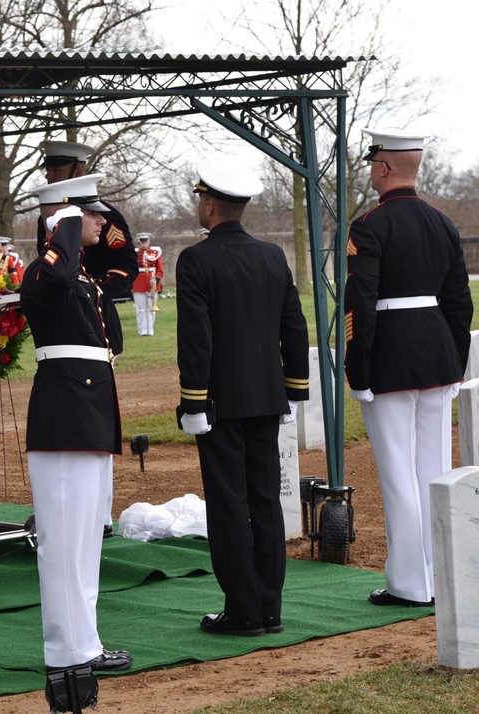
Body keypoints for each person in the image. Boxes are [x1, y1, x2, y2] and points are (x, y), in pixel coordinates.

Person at [177, 156, 309, 637]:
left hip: (219, 403)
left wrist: (194, 401)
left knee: (229, 503)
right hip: (267, 398)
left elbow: (197, 338)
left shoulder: (196, 259)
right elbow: (293, 326)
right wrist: (295, 389)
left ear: (209, 204)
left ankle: (243, 611)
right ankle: (270, 609)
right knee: (264, 501)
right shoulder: (272, 256)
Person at [345, 128, 472, 608]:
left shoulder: (370, 226)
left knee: (398, 473)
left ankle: (408, 584)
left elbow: (362, 302)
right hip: (438, 356)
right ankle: (441, 576)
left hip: (391, 360)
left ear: (383, 167)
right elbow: (460, 303)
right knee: (434, 471)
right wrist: (454, 362)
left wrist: (360, 370)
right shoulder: (442, 222)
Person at [23, 173, 131, 712]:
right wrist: (61, 230)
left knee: (86, 540)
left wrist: (72, 235)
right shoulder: (47, 272)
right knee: (63, 543)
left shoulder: (83, 275)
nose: (102, 222)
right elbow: (56, 278)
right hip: (65, 418)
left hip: (86, 416)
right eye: (89, 215)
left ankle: (84, 642)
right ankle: (65, 652)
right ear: (62, 220)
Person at [36, 140, 137, 539]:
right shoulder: (57, 219)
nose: (49, 175)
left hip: (92, 315)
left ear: (73, 170)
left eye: (56, 169)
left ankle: (101, 514)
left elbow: (125, 263)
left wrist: (97, 294)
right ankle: (93, 515)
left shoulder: (96, 218)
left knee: (96, 420)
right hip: (68, 312)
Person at [131, 233, 163, 336]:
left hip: (152, 283)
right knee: (141, 308)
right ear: (138, 242)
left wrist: (156, 279)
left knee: (151, 307)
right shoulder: (134, 253)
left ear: (149, 242)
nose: (144, 243)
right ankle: (142, 330)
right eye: (142, 241)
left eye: (146, 241)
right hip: (138, 283)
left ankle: (150, 330)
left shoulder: (155, 252)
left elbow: (160, 270)